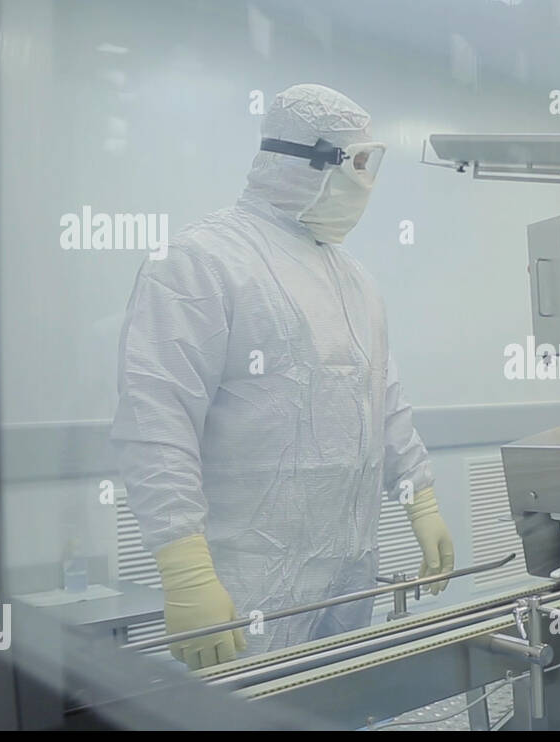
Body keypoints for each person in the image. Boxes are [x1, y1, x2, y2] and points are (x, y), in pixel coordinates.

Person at [111, 84, 455, 670]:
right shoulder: (200, 261)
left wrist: (420, 498)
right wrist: (186, 571)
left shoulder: (355, 280)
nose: (368, 184)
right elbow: (157, 417)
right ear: (307, 160)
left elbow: (384, 401)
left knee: (336, 708)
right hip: (244, 585)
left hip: (350, 574)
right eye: (361, 162)